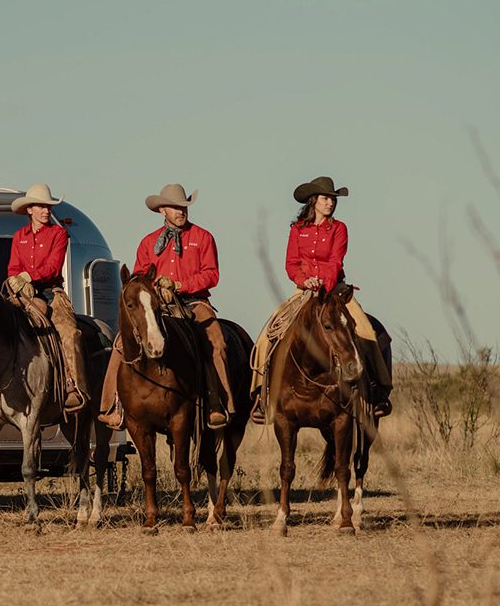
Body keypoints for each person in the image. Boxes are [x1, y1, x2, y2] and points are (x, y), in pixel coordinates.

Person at [249, 176, 393, 422]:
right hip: (304, 291)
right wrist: (305, 281)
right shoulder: (297, 230)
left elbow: (336, 262)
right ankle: (263, 395)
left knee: (367, 331)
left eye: (333, 199)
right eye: (326, 198)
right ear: (314, 200)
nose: (331, 203)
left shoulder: (339, 229)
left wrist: (323, 285)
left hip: (335, 291)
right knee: (268, 335)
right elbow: (291, 263)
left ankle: (378, 391)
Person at [98, 183, 233, 430]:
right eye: (175, 207)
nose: (181, 211)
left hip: (193, 301)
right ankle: (112, 406)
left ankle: (218, 403)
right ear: (162, 211)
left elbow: (211, 275)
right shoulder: (148, 242)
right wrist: (153, 289)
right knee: (120, 343)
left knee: (216, 341)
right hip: (156, 303)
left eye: (184, 207)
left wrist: (180, 285)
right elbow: (139, 278)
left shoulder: (203, 237)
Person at [4, 183, 86, 411]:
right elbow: (12, 268)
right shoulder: (18, 236)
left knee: (68, 332)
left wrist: (28, 276)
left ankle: (72, 385)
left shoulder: (59, 234)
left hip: (51, 292)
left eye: (48, 206)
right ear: (30, 210)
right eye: (41, 206)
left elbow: (52, 268)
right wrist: (15, 281)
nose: (46, 210)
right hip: (24, 293)